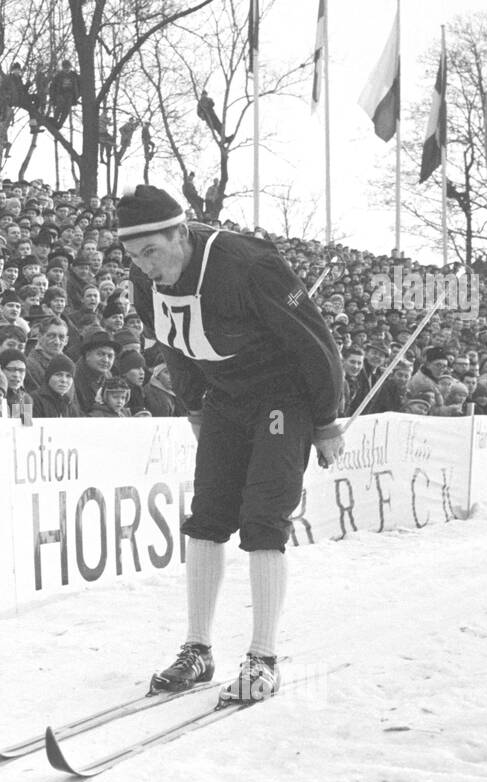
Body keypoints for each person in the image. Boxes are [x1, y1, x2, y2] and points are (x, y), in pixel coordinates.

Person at [119, 185, 344, 704]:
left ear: (182, 233)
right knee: (208, 516)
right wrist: (194, 405)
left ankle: (263, 657)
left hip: (283, 394)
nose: (144, 265)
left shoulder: (247, 265)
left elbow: (317, 343)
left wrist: (328, 421)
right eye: (133, 255)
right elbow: (173, 344)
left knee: (263, 518)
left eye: (152, 251)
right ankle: (197, 649)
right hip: (224, 396)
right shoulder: (144, 279)